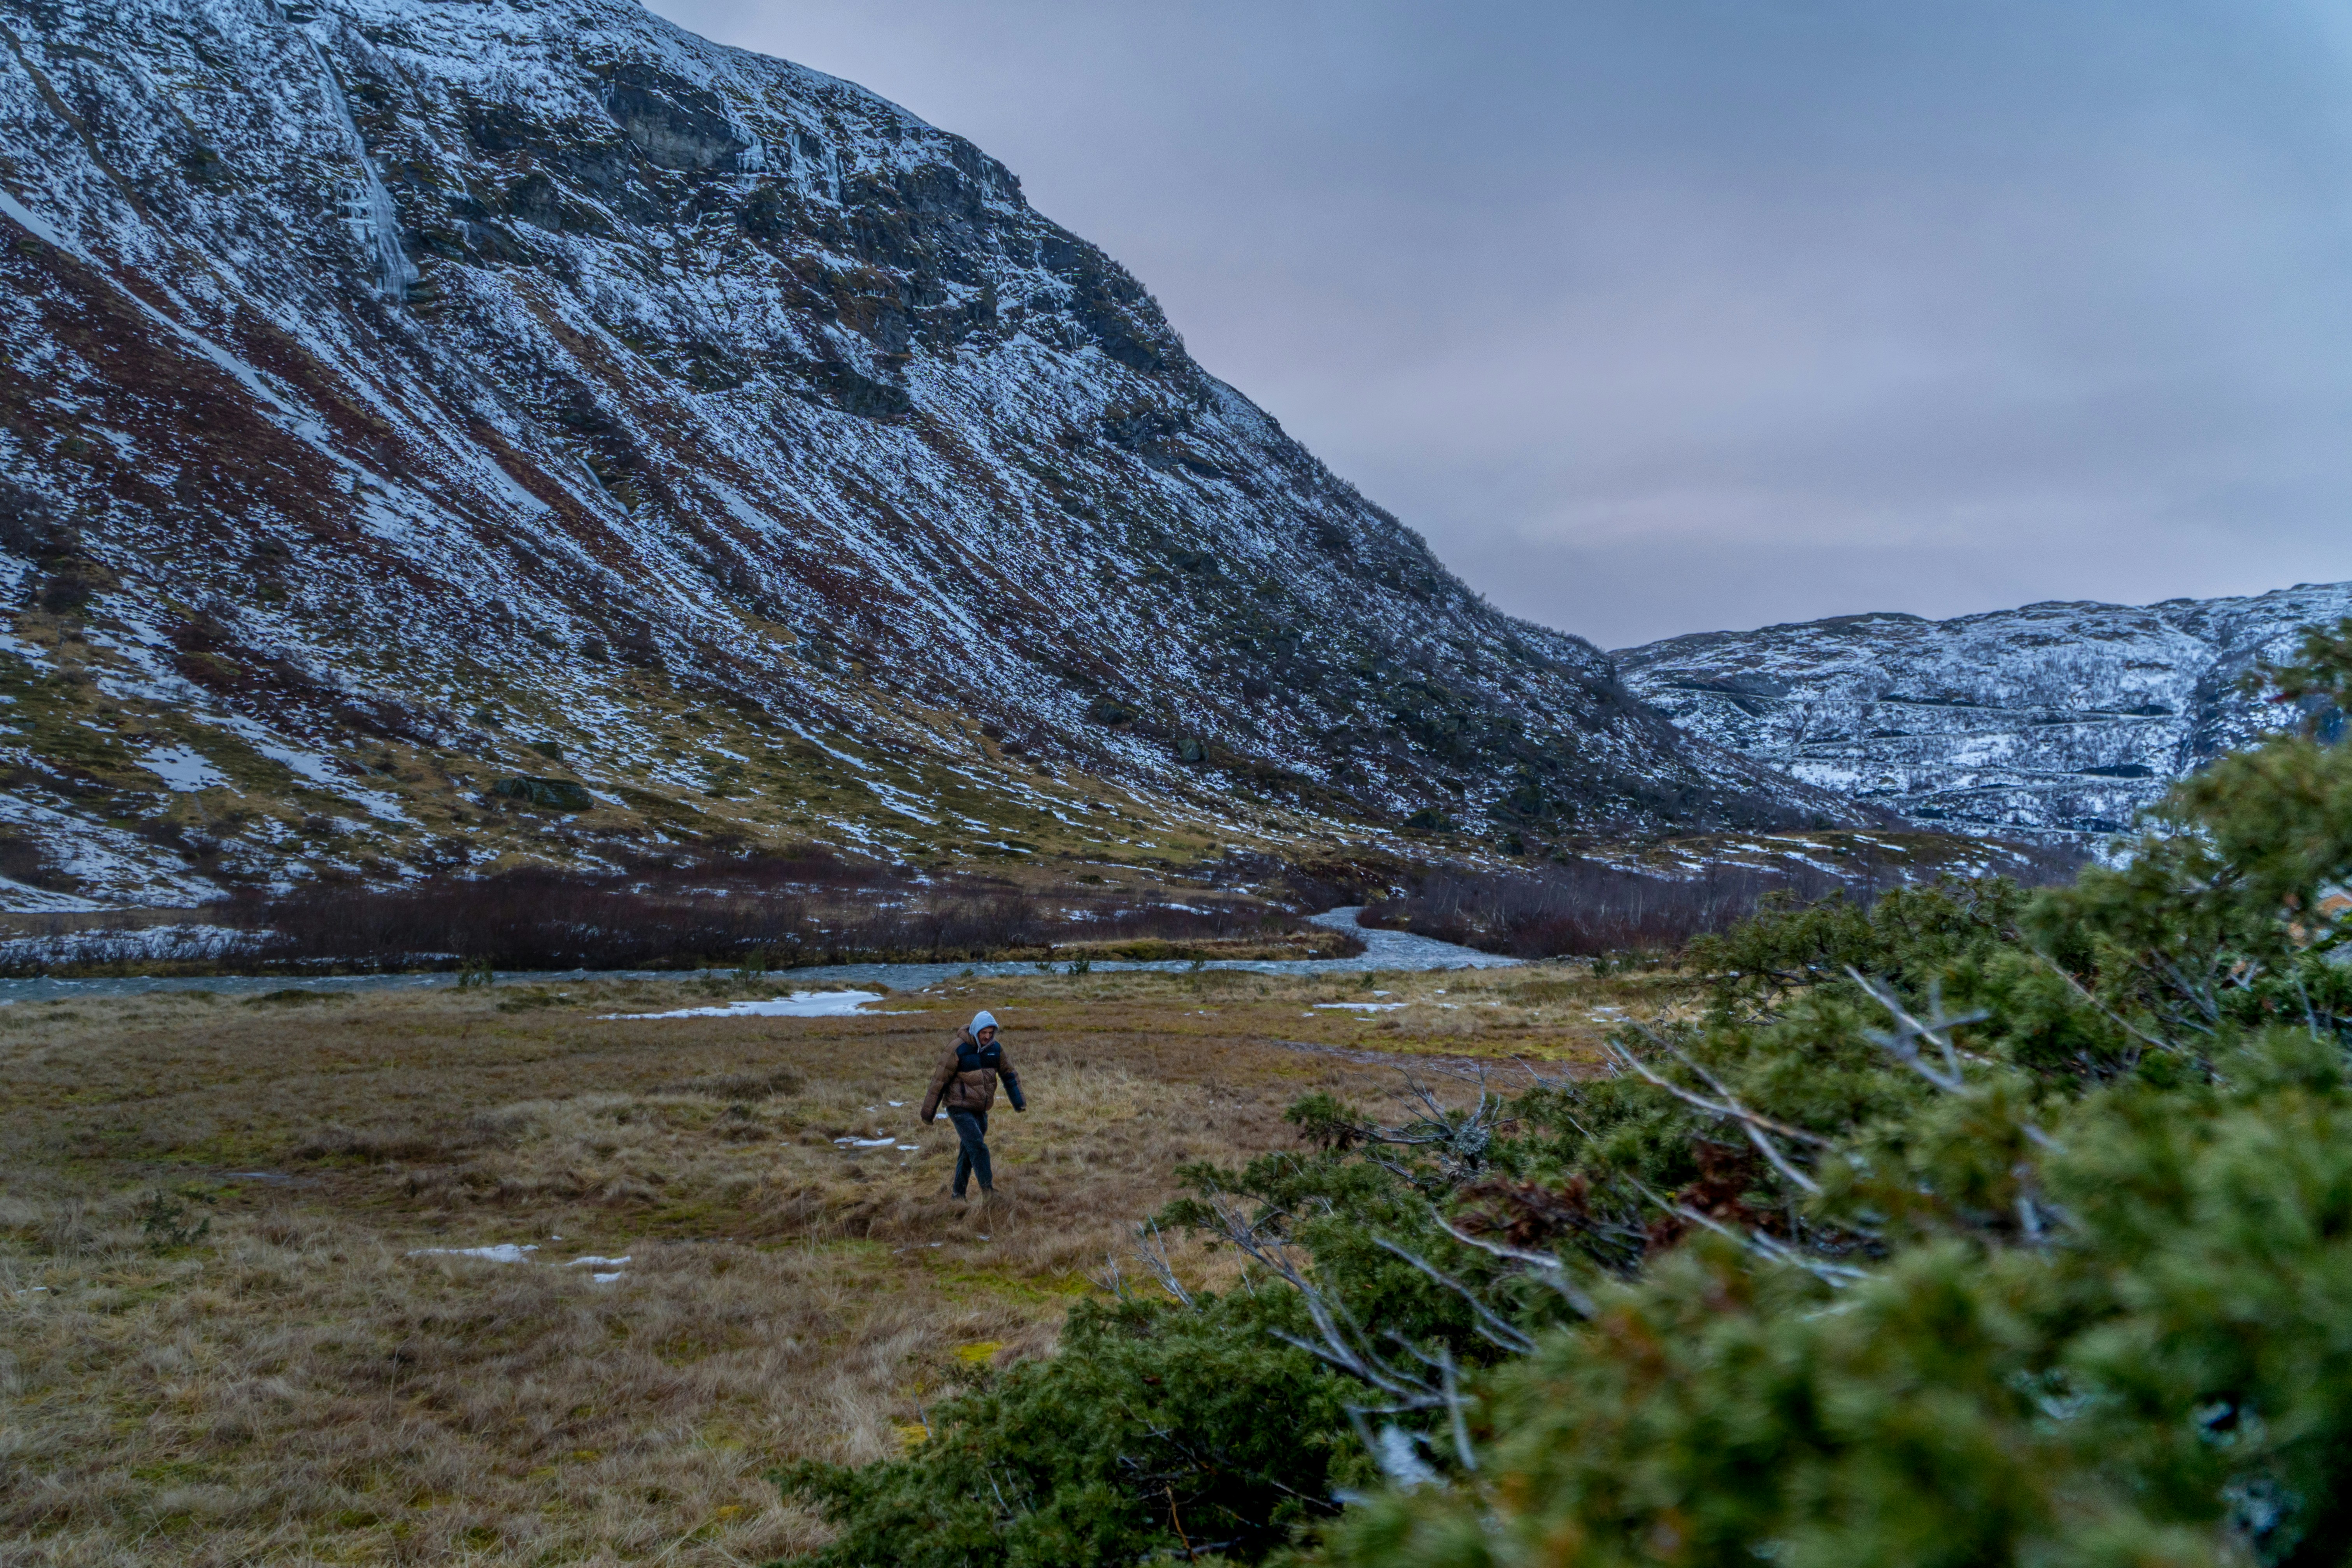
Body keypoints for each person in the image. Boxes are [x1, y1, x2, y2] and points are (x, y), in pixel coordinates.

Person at [919, 1009, 1024, 1201]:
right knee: (978, 1147)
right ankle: (988, 1192)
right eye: (984, 1032)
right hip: (958, 1107)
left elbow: (1009, 1075)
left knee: (968, 1151)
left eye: (991, 1033)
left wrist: (1019, 1103)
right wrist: (928, 1113)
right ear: (976, 1030)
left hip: (980, 1109)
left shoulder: (996, 1050)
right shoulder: (957, 1048)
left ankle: (958, 1195)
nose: (987, 1036)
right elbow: (939, 1082)